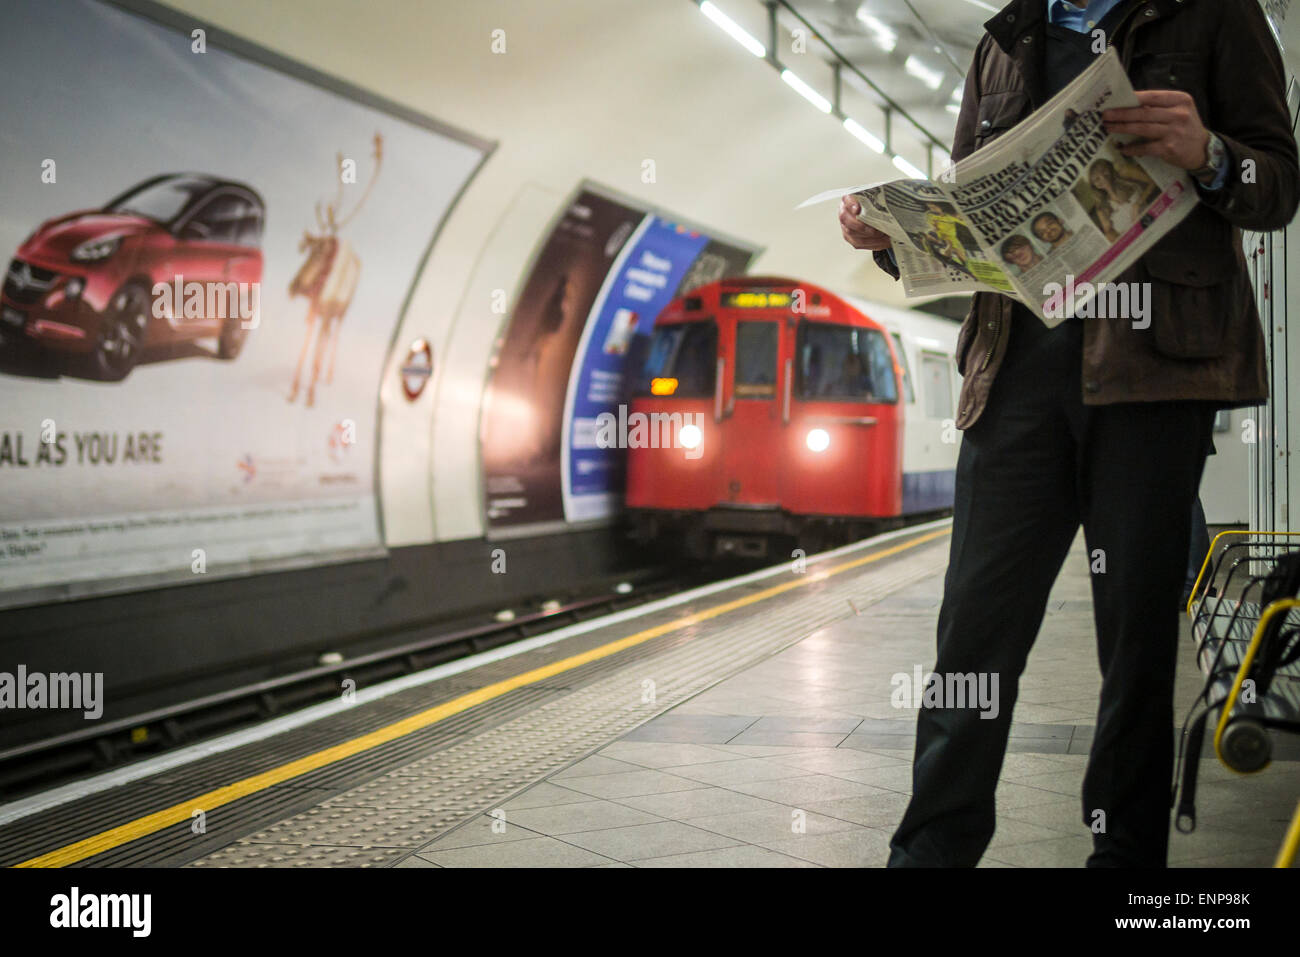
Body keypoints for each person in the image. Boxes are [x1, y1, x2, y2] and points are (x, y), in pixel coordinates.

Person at [838, 0, 1297, 867]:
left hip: (1154, 384)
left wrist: (1212, 156)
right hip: (1012, 383)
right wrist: (894, 238)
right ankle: (931, 852)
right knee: (971, 640)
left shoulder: (1219, 18)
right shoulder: (1003, 42)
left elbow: (1278, 184)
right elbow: (972, 216)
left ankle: (1126, 865)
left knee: (1135, 653)